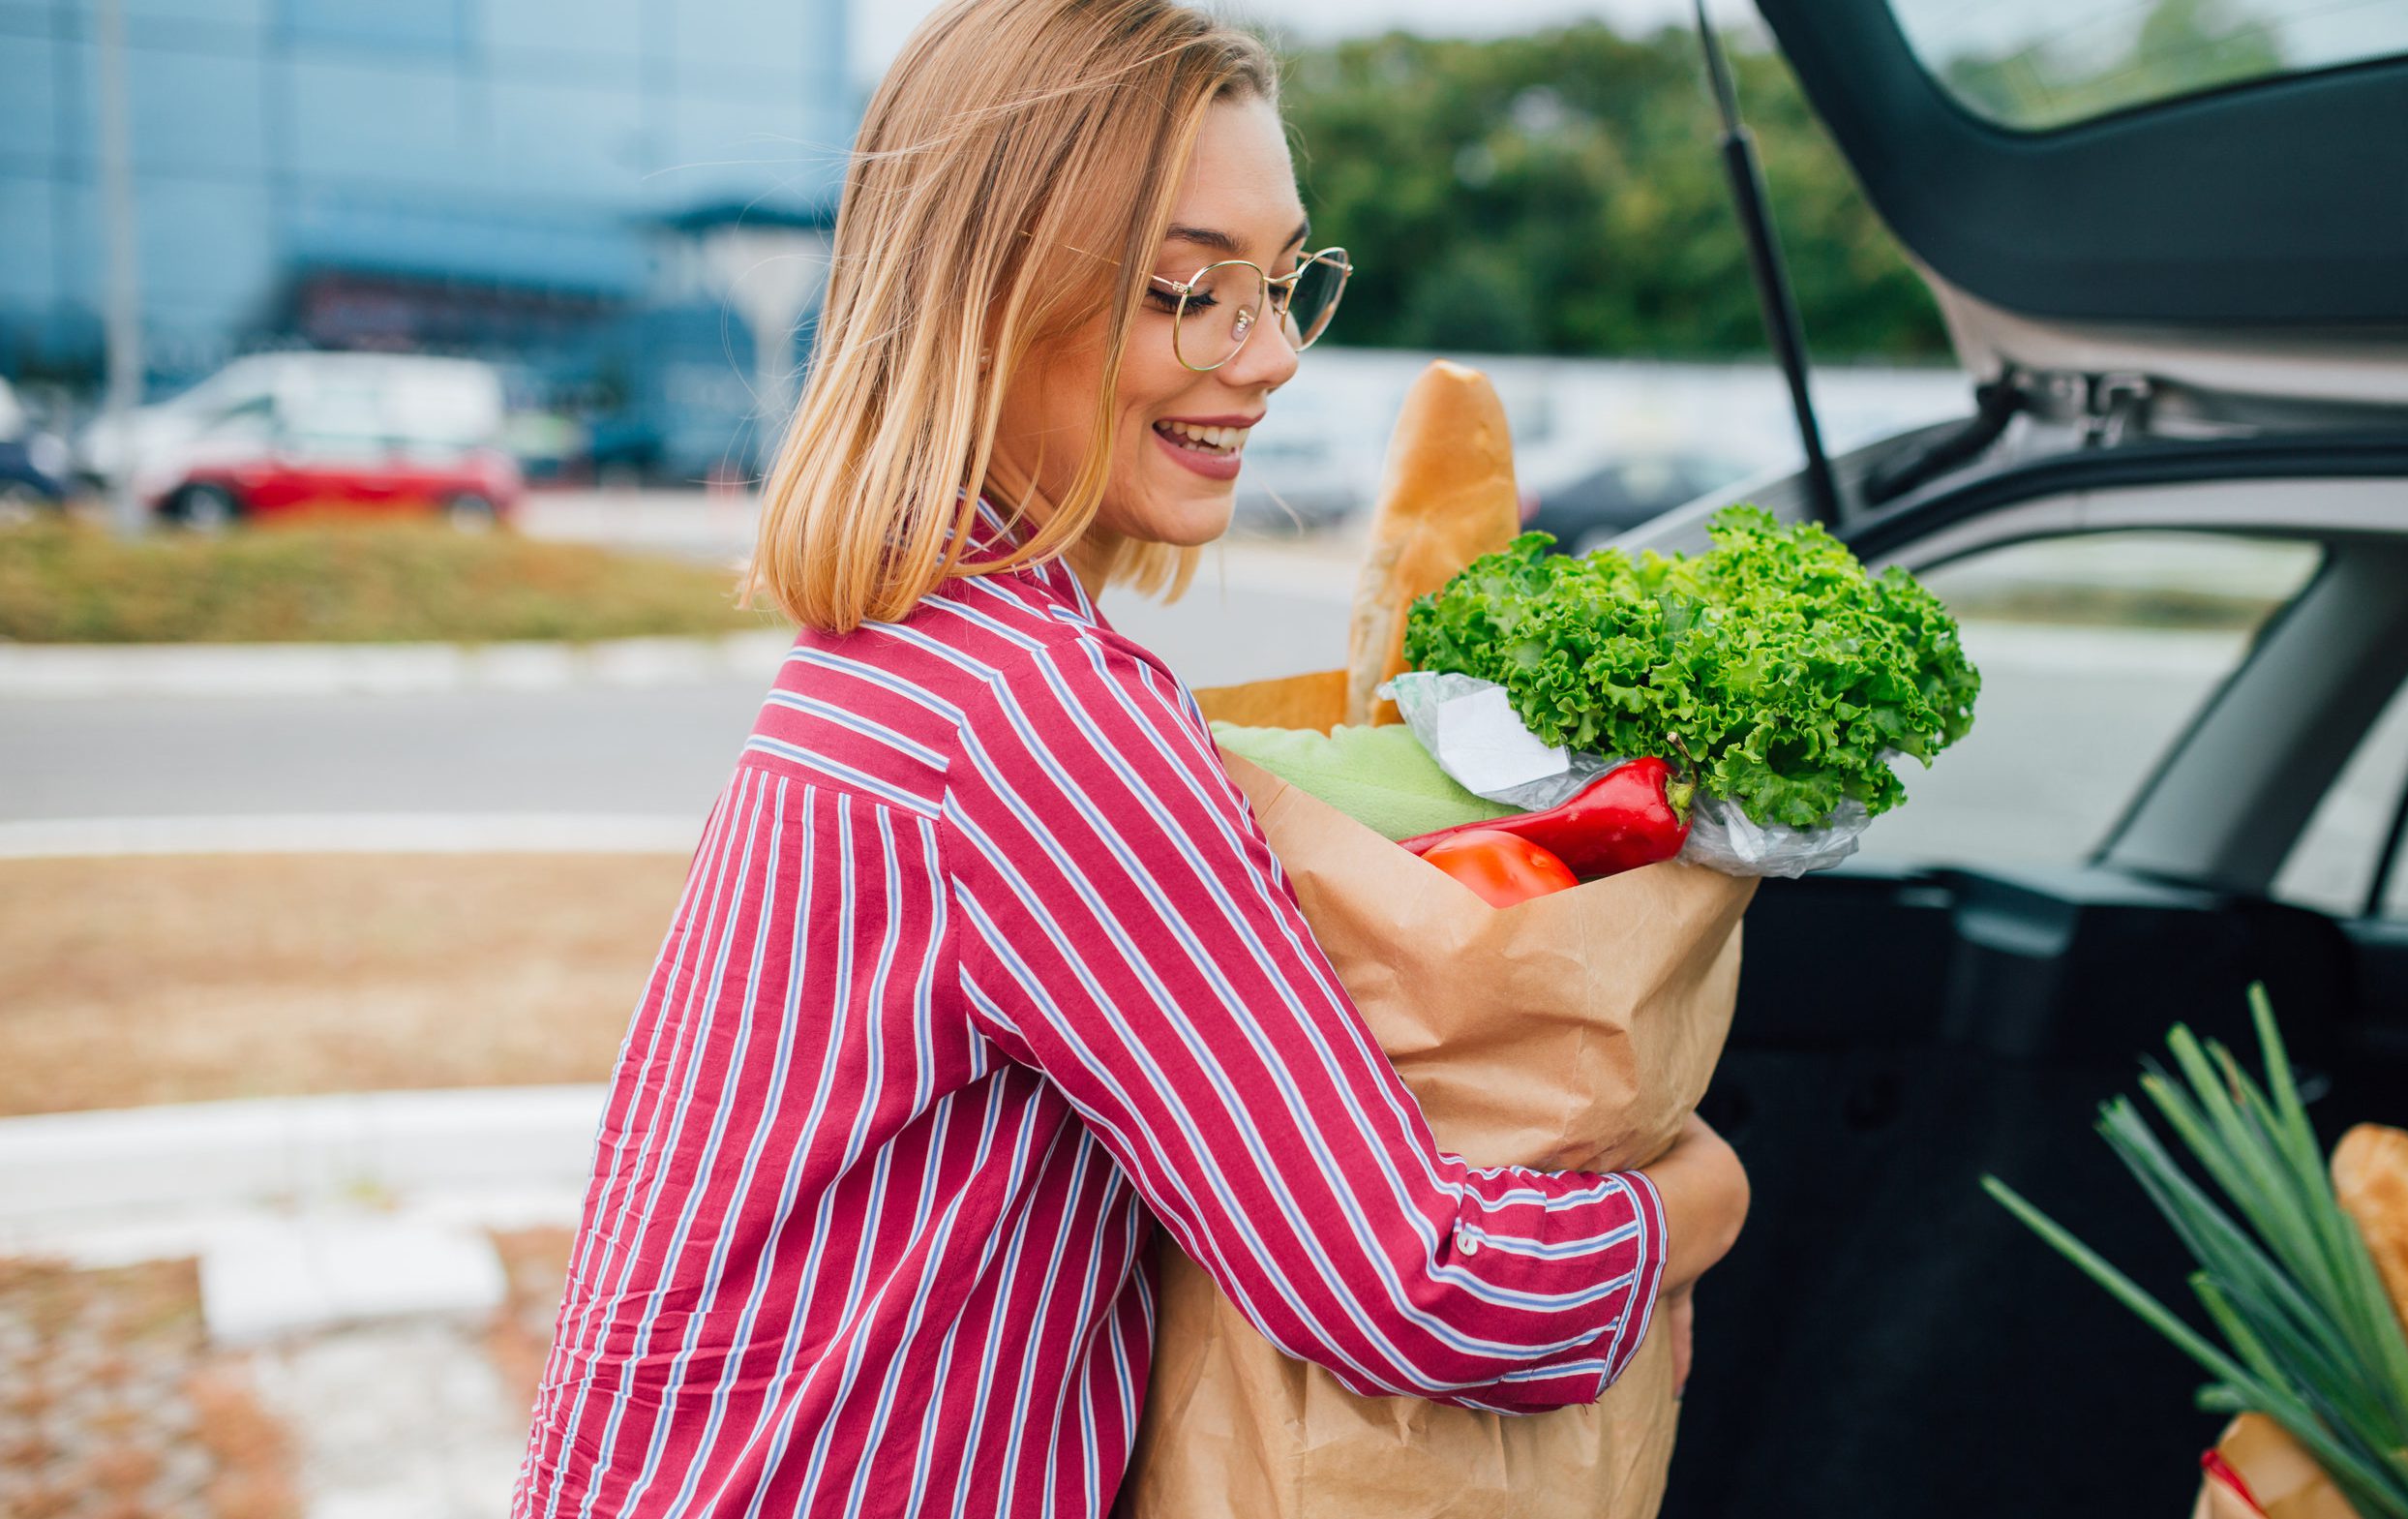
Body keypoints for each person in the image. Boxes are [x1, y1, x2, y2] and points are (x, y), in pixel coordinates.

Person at [509, 2, 1748, 1513]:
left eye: (1286, 282)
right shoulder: (1041, 716)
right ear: (989, 294)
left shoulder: (899, 655)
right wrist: (1698, 1199)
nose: (1273, 352)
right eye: (1188, 289)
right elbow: (1408, 1287)